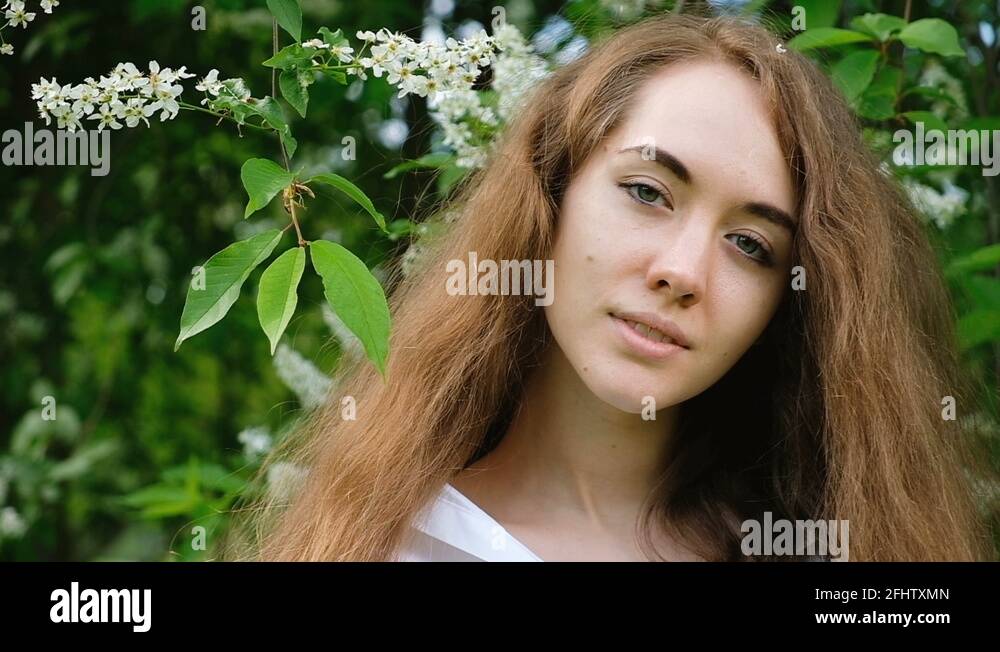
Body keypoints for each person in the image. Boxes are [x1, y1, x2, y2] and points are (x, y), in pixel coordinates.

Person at [234, 13, 992, 562]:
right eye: (648, 192)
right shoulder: (383, 543)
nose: (683, 272)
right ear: (551, 197)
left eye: (751, 245)